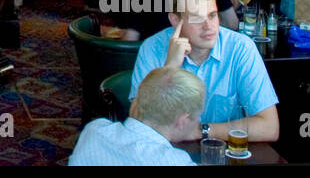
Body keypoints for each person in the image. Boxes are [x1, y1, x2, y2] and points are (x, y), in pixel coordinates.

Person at [129, 0, 279, 142]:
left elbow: (269, 127)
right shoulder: (153, 48)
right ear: (175, 20)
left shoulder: (240, 48)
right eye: (196, 18)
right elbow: (136, 121)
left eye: (212, 15)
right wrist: (169, 69)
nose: (209, 26)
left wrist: (201, 131)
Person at [68, 67, 206, 166]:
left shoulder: (94, 130)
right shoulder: (176, 161)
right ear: (182, 120)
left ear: (137, 101)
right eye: (198, 116)